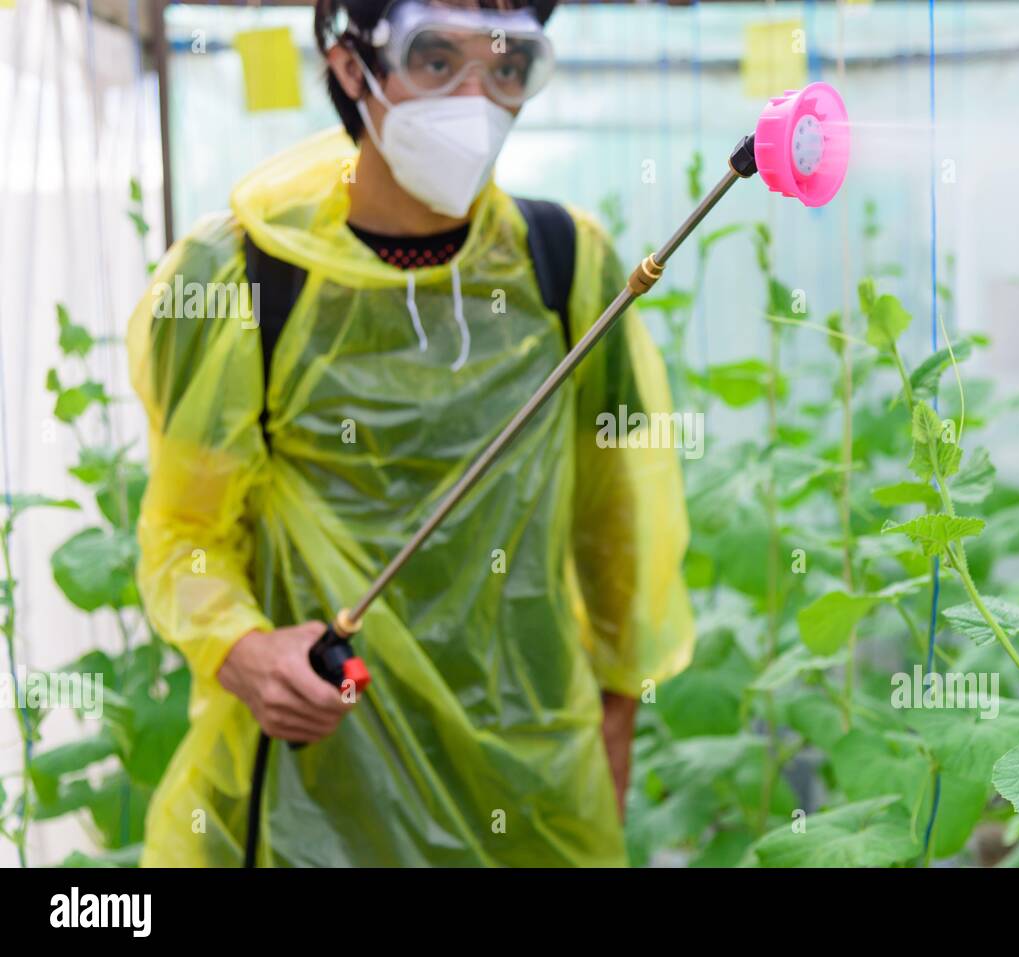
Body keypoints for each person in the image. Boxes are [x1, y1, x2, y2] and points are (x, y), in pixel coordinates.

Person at [127, 0, 694, 866]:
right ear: (351, 66)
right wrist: (245, 649)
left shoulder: (567, 266)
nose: (476, 101)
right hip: (314, 804)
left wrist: (610, 736)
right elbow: (183, 536)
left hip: (532, 790)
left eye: (506, 68)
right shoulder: (243, 277)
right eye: (436, 62)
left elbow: (619, 535)